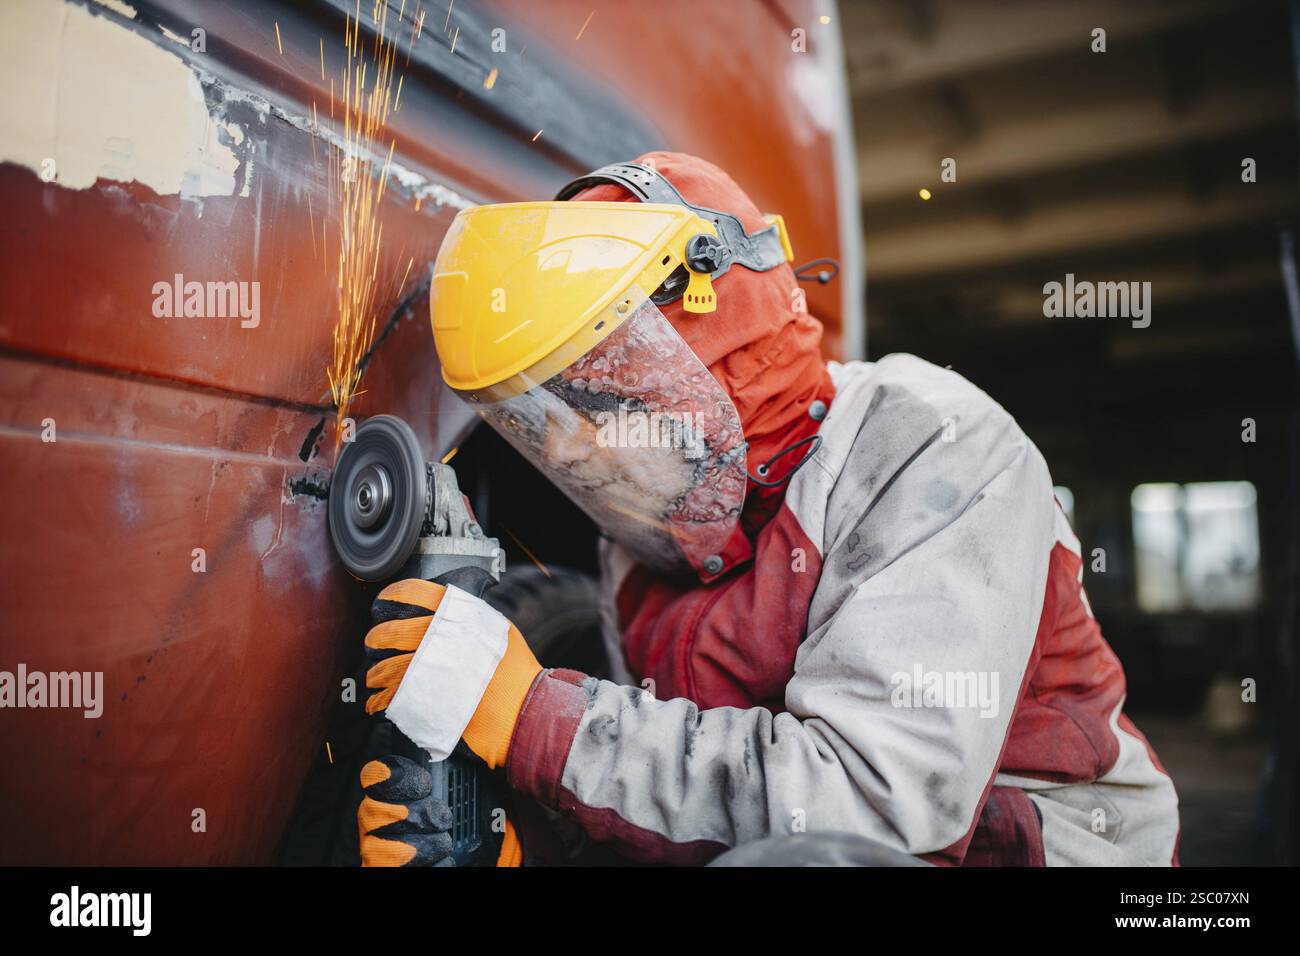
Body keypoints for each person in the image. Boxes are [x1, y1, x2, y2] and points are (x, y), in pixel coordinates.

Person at [355, 152, 1180, 867]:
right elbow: (693, 793)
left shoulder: (932, 446)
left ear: (716, 351)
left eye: (597, 405)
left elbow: (874, 813)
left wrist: (542, 722)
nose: (567, 452)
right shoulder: (651, 520)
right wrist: (534, 843)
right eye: (549, 418)